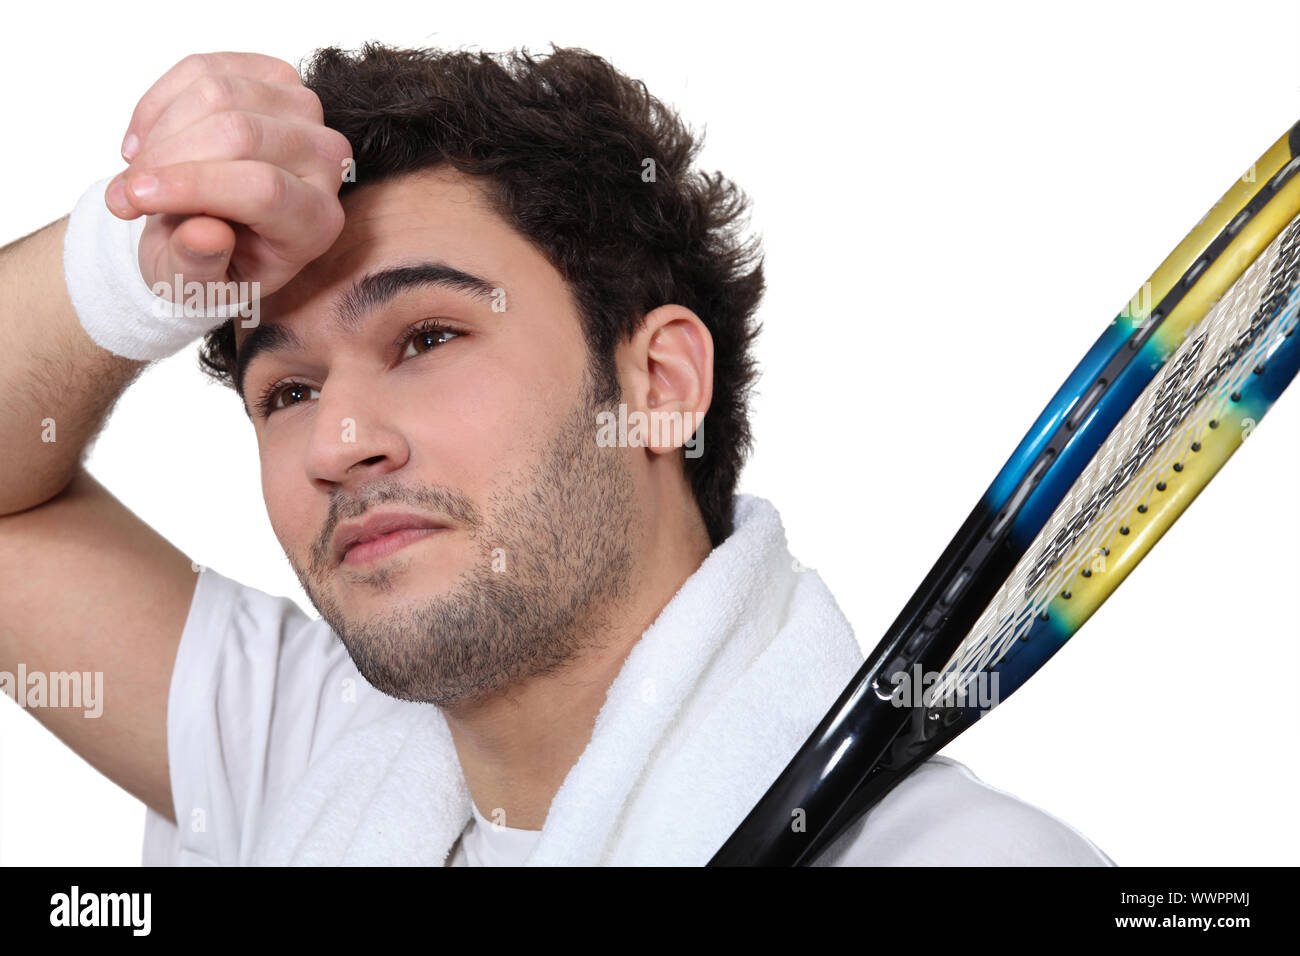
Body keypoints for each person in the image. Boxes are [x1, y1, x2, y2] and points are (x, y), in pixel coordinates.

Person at [0, 44, 1112, 866]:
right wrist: (123, 263)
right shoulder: (295, 758)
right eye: (287, 390)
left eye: (427, 336)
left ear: (658, 383)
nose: (338, 444)